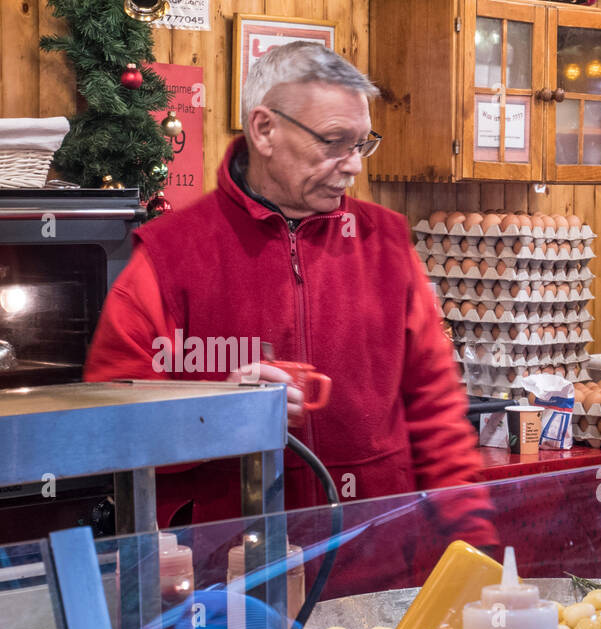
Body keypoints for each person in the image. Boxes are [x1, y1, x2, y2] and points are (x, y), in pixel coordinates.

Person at [84, 42, 489, 538]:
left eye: (362, 143)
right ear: (264, 129)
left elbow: (436, 411)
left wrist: (473, 546)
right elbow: (112, 427)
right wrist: (222, 414)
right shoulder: (170, 254)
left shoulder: (385, 241)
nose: (354, 165)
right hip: (230, 578)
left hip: (378, 557)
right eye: (334, 141)